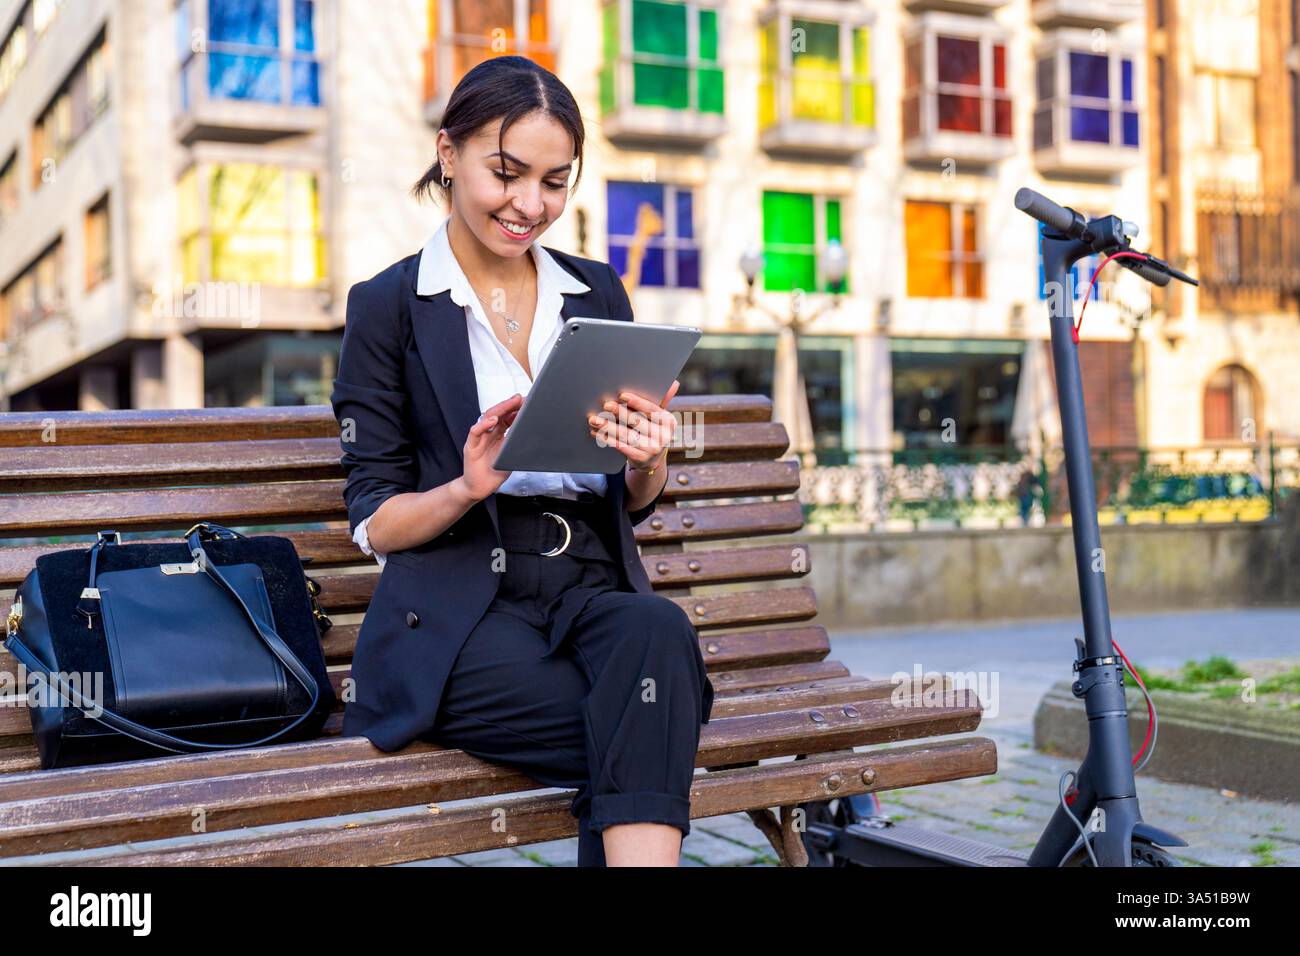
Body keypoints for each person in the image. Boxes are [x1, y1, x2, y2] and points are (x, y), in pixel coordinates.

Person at [329, 55, 714, 868]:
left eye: (554, 181)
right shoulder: (388, 307)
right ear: (448, 154)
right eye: (504, 173)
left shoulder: (597, 292)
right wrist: (468, 487)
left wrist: (646, 460)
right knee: (643, 721)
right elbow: (373, 519)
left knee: (657, 630)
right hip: (462, 610)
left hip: (589, 591)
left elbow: (632, 497)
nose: (529, 205)